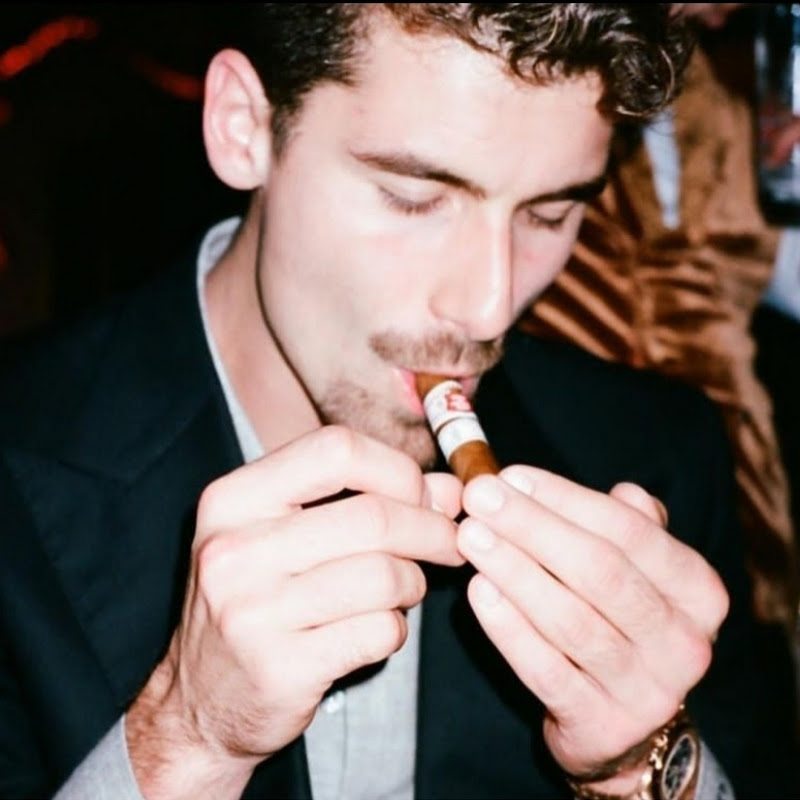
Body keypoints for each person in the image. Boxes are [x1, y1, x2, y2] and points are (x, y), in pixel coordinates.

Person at [0, 4, 797, 800]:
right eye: (415, 197)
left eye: (550, 212)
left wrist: (641, 768)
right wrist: (186, 742)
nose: (488, 307)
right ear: (244, 126)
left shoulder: (658, 455)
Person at [520, 2, 800, 635]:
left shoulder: (718, 101)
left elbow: (779, 266)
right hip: (571, 459)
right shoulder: (529, 55)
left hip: (734, 474)